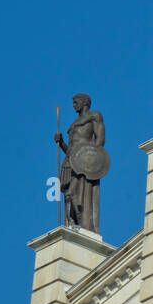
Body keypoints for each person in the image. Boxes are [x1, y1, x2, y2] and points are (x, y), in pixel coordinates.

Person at [55, 93, 104, 233]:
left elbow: (100, 140)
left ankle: (82, 222)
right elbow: (70, 149)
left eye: (75, 102)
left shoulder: (94, 116)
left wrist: (92, 159)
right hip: (69, 161)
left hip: (83, 161)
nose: (73, 105)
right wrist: (61, 142)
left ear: (84, 102)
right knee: (67, 196)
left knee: (72, 193)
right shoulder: (73, 124)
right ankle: (71, 225)